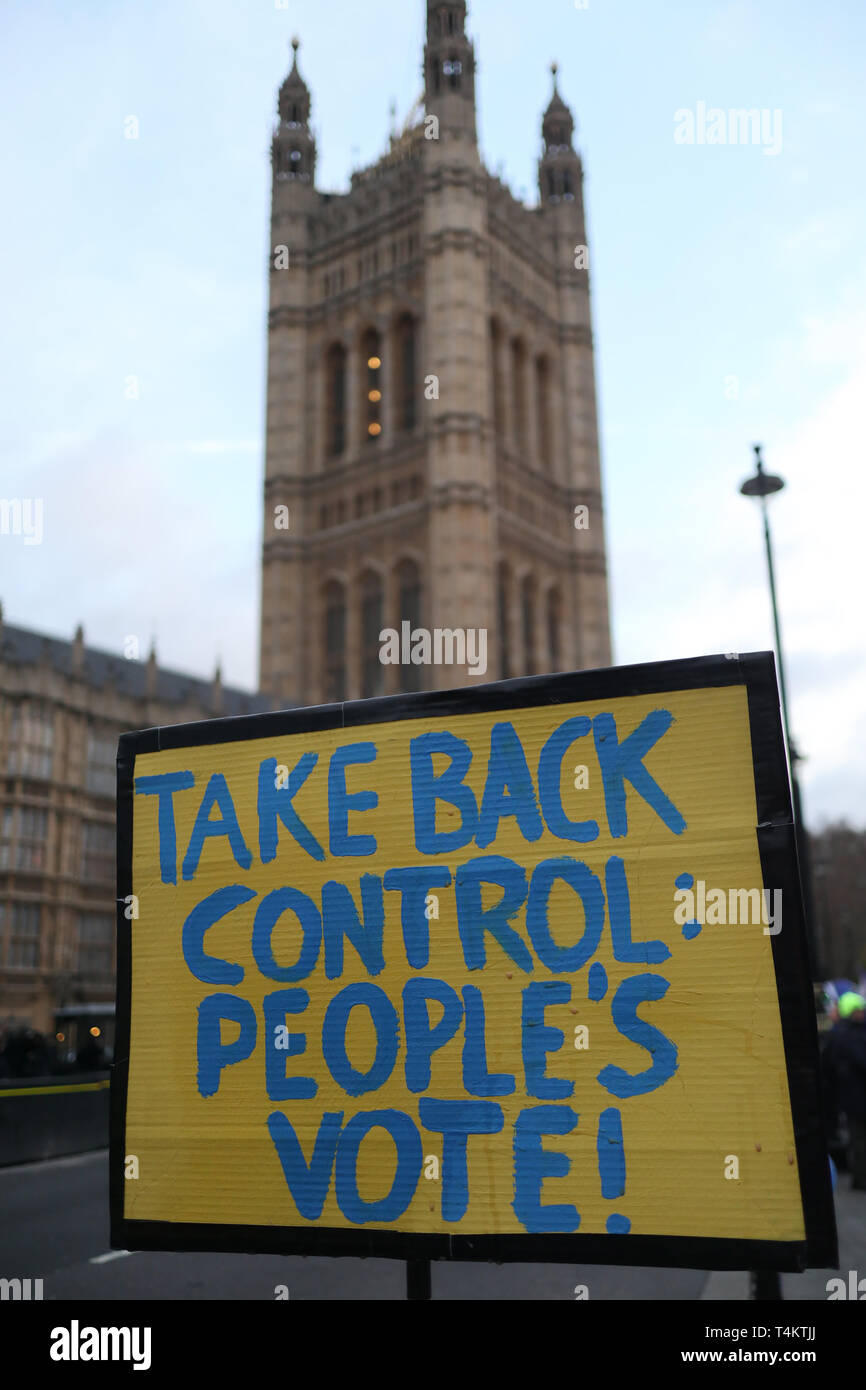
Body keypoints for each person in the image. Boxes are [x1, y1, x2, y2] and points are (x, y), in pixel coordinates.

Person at [823, 992, 866, 1190]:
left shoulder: (838, 1034)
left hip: (849, 1097)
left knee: (857, 1138)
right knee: (858, 1138)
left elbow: (828, 1066)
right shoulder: (853, 1035)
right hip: (855, 1096)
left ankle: (859, 1177)